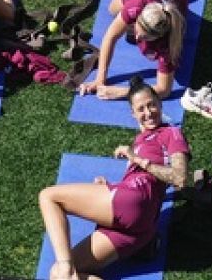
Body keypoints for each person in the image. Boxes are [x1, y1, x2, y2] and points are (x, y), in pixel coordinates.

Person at [39, 79, 187, 280]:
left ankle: (66, 267)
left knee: (48, 196)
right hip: (139, 229)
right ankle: (65, 271)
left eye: (152, 104)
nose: (148, 112)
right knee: (56, 274)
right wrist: (109, 186)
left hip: (134, 203)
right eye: (141, 108)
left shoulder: (171, 132)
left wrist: (138, 159)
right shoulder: (141, 139)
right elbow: (142, 184)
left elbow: (180, 177)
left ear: (160, 104)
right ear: (133, 114)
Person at [77, 0, 197, 100]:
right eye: (136, 27)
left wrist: (122, 92)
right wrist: (100, 79)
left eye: (145, 37)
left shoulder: (168, 44)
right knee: (112, 10)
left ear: (159, 36)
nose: (137, 37)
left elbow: (164, 90)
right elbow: (110, 36)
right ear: (138, 16)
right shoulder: (136, 6)